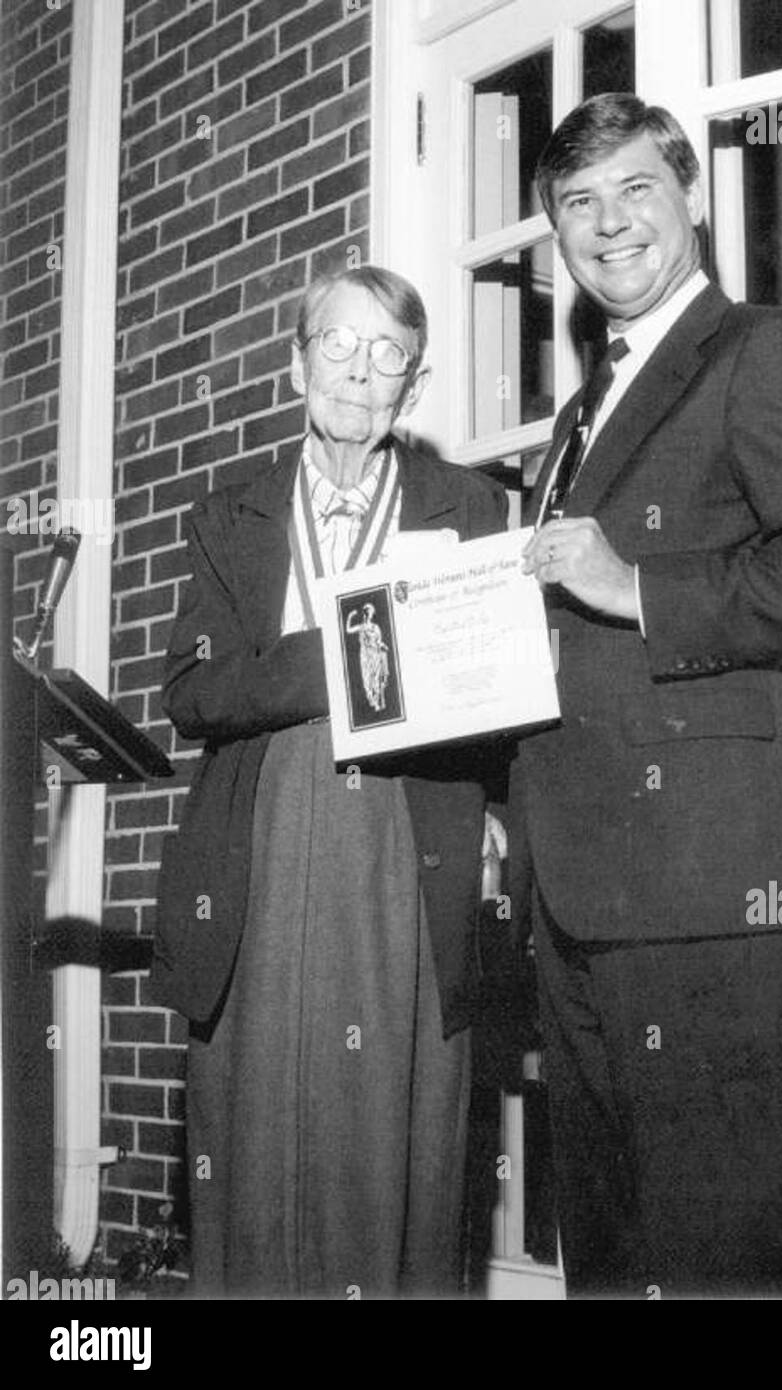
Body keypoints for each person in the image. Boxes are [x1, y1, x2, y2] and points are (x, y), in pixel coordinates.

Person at [515, 93, 782, 1297]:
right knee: (613, 1263)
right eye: (578, 202)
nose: (608, 222)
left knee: (726, 1259)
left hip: (713, 896)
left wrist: (636, 584)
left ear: (695, 196)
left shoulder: (761, 351)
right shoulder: (580, 414)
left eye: (635, 188)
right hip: (577, 898)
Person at [151, 265, 507, 1298]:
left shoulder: (471, 505)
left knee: (398, 1123)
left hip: (408, 832)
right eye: (337, 346)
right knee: (255, 1123)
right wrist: (343, 653)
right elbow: (193, 691)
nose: (359, 371)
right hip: (263, 835)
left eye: (386, 352)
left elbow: (503, 693)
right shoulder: (232, 515)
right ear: (295, 361)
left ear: (417, 382)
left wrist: (496, 814)